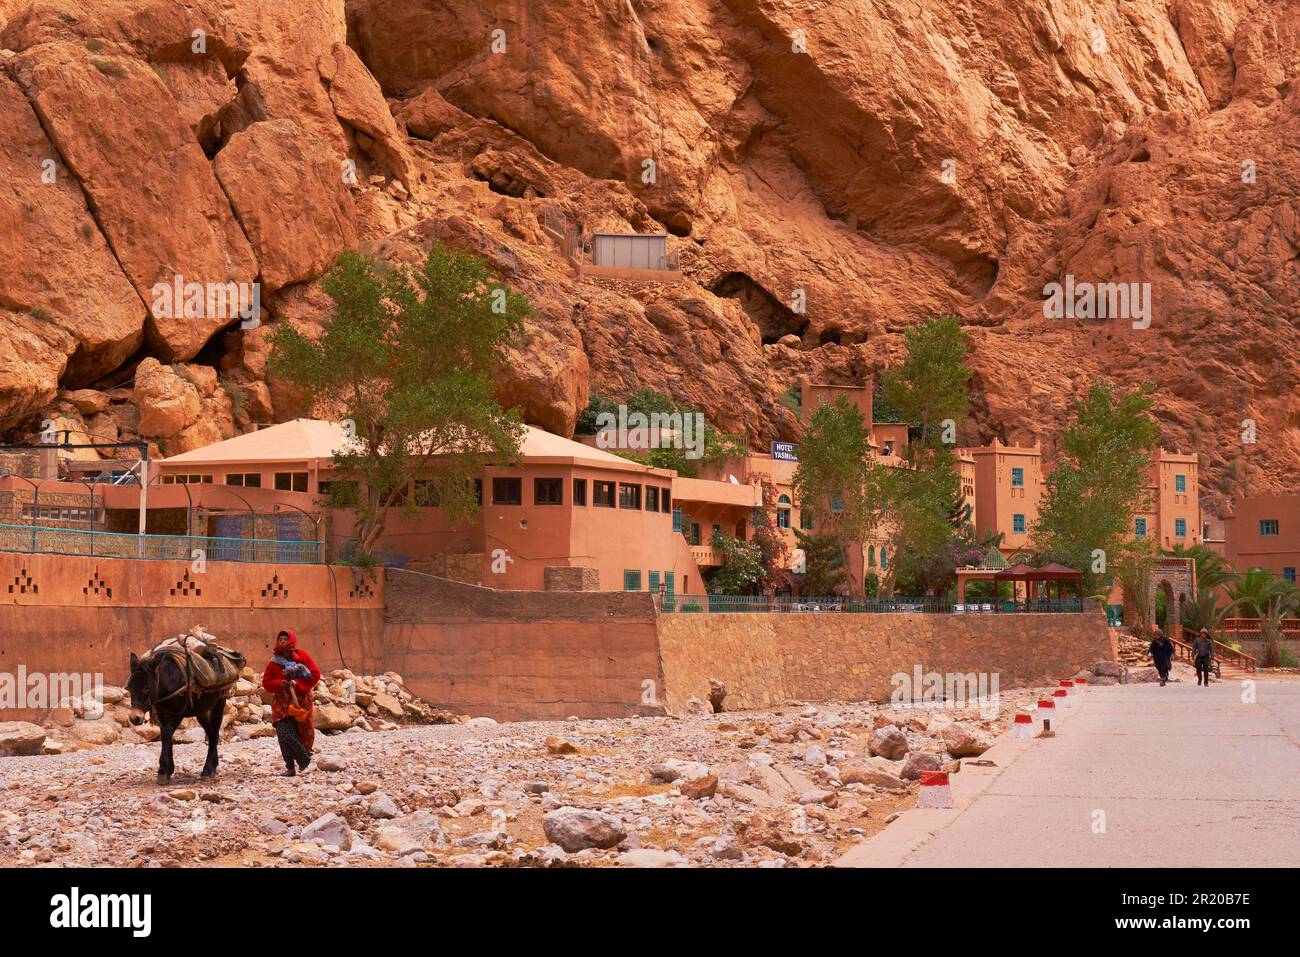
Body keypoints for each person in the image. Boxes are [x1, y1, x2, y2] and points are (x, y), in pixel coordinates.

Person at [261, 629, 321, 776]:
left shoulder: (302, 656)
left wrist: (297, 684)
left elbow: (315, 674)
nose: (282, 641)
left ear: (291, 641)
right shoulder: (274, 661)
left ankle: (303, 757)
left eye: (285, 639)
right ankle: (293, 765)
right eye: (280, 639)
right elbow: (266, 682)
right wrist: (279, 683)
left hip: (301, 701)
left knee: (302, 731)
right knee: (283, 733)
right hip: (281, 703)